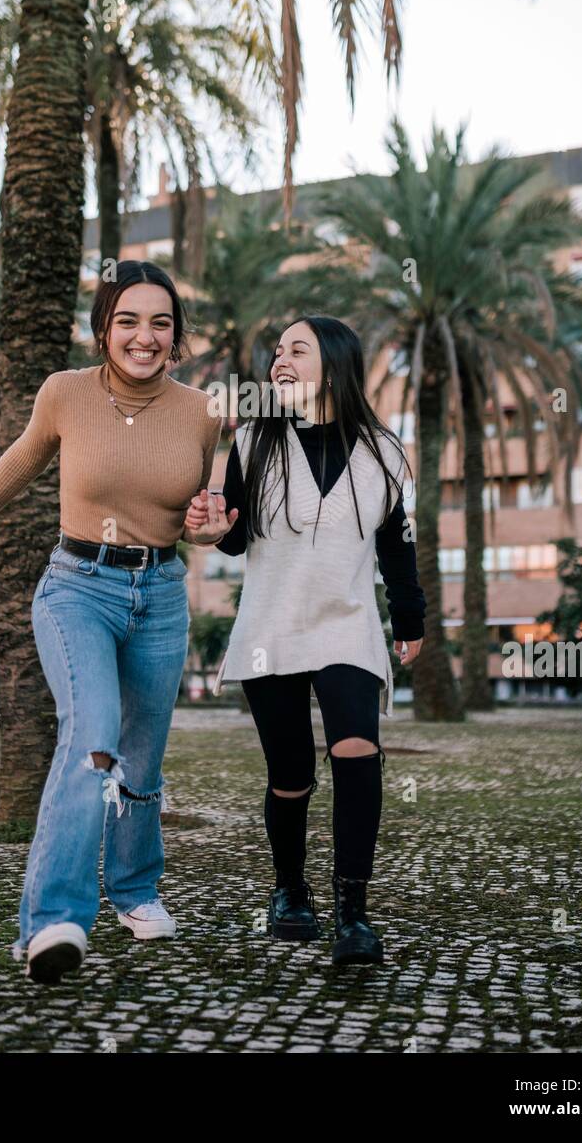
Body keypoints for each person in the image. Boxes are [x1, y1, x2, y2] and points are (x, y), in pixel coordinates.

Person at [0, 261, 223, 984]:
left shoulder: (200, 411)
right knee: (92, 737)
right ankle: (53, 922)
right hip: (76, 588)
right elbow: (24, 458)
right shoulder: (65, 393)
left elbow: (201, 515)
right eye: (128, 320)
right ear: (104, 328)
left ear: (176, 337)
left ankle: (133, 889)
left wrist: (208, 529)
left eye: (160, 322)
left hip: (159, 593)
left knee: (142, 759)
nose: (143, 336)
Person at [183, 315, 425, 967]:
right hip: (271, 628)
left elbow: (396, 547)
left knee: (355, 749)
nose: (280, 360)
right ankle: (290, 890)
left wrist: (410, 620)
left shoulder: (383, 452)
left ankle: (354, 913)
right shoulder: (254, 441)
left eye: (297, 349)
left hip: (348, 626)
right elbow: (231, 533)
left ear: (335, 363)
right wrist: (208, 530)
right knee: (290, 777)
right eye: (277, 351)